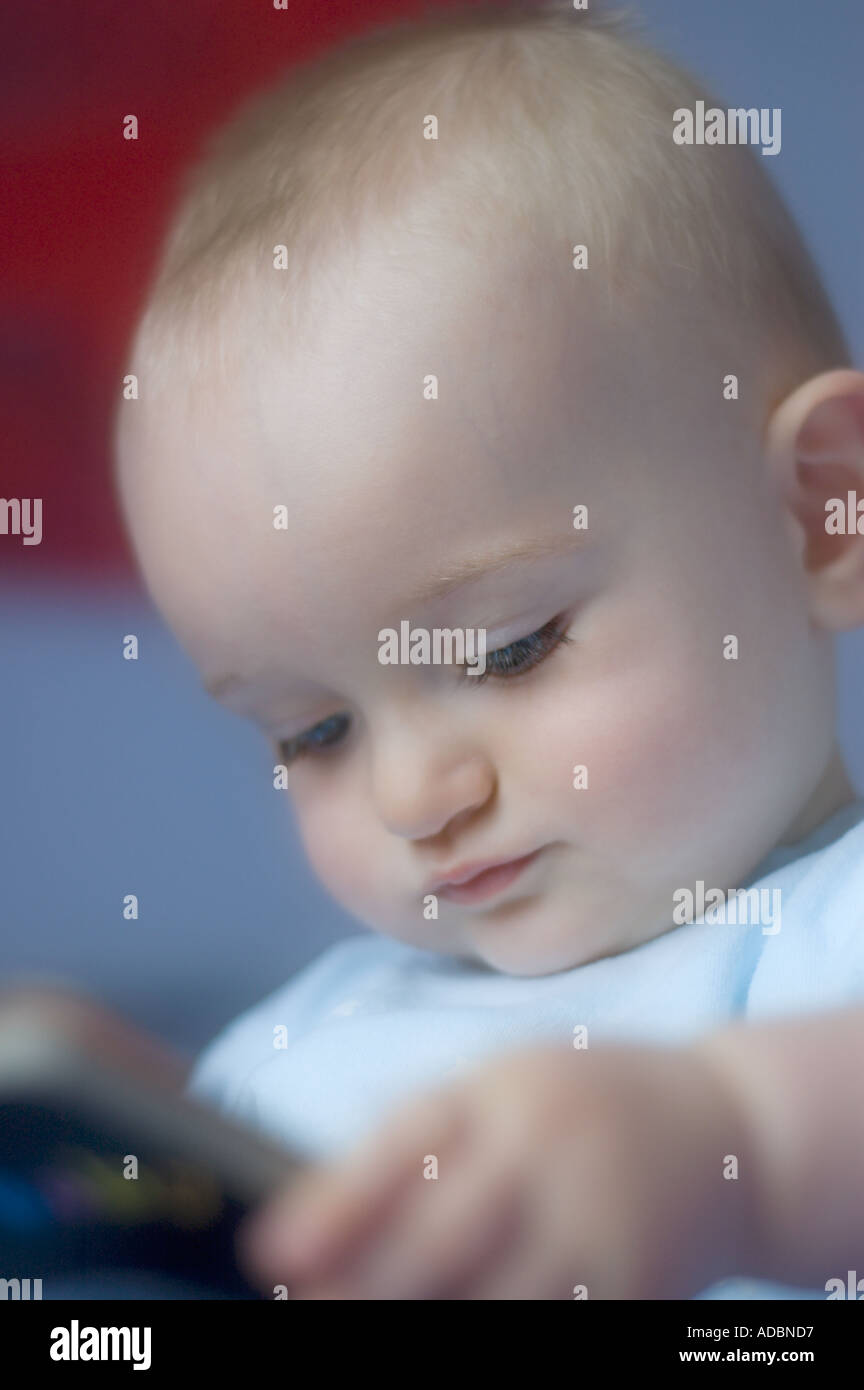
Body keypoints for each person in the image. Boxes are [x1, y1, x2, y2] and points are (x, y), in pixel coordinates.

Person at [113, 2, 864, 1299]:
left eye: (512, 650)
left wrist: (732, 1135)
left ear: (818, 514)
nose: (417, 797)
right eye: (315, 731)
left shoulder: (823, 952)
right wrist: (121, 1151)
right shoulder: (297, 1044)